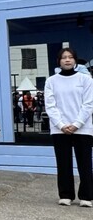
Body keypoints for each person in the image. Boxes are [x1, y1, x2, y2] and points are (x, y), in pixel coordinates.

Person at [44, 47, 93, 207]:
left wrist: (77, 124)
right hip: (59, 129)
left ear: (75, 60)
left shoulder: (86, 80)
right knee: (63, 163)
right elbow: (50, 106)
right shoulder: (51, 81)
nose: (67, 60)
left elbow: (88, 104)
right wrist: (61, 124)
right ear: (59, 61)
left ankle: (86, 196)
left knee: (85, 163)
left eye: (70, 57)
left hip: (83, 128)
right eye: (64, 57)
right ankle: (66, 195)